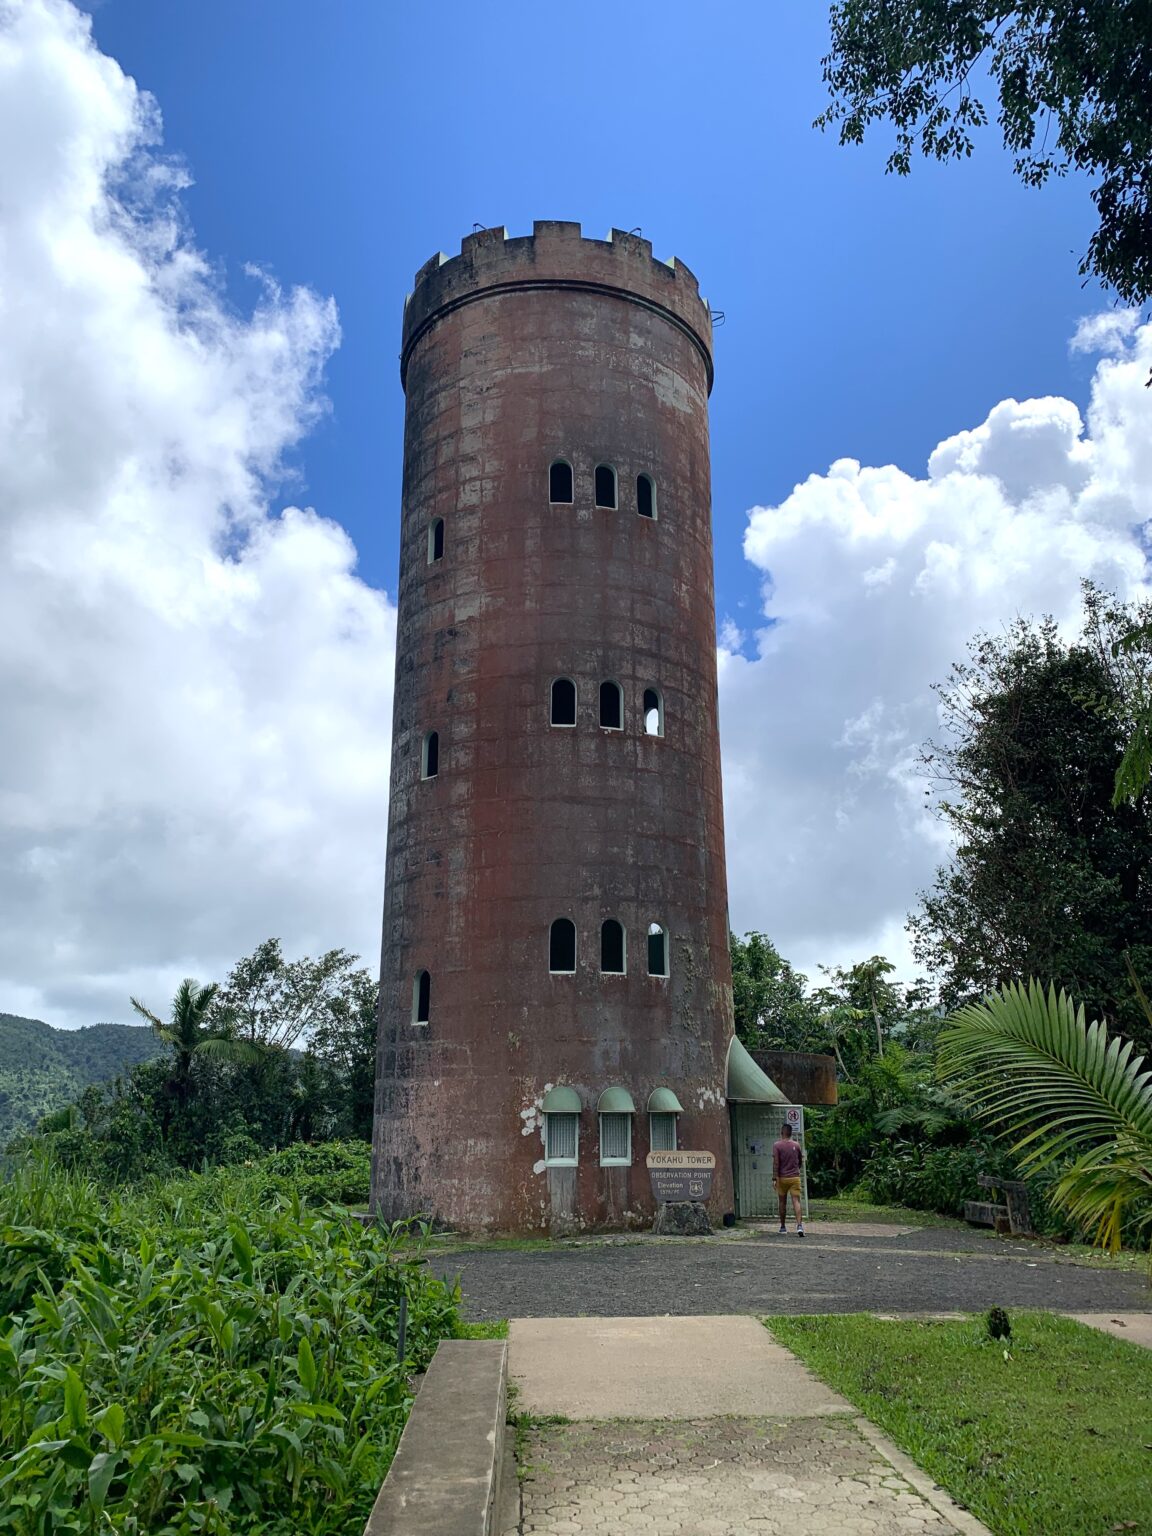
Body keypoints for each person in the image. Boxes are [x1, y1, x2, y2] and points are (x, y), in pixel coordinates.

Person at [772, 1122, 804, 1235]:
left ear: (782, 1133)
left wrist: (774, 1178)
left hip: (782, 1178)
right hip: (795, 1177)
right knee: (796, 1201)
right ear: (791, 1133)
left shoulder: (777, 1145)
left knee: (782, 1202)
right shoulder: (797, 1145)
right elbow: (800, 1160)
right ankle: (799, 1226)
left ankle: (782, 1227)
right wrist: (796, 1169)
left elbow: (776, 1163)